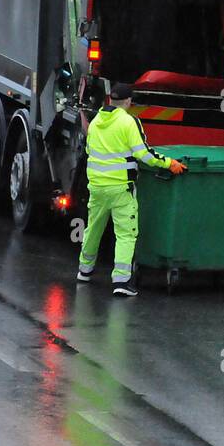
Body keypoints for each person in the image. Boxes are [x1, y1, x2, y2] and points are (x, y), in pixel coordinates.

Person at [77, 81, 187, 296]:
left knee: (94, 229)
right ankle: (121, 282)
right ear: (128, 101)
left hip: (97, 186)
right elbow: (143, 154)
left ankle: (84, 270)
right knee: (126, 234)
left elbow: (90, 149)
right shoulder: (129, 122)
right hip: (120, 188)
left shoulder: (97, 120)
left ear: (110, 99)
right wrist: (169, 163)